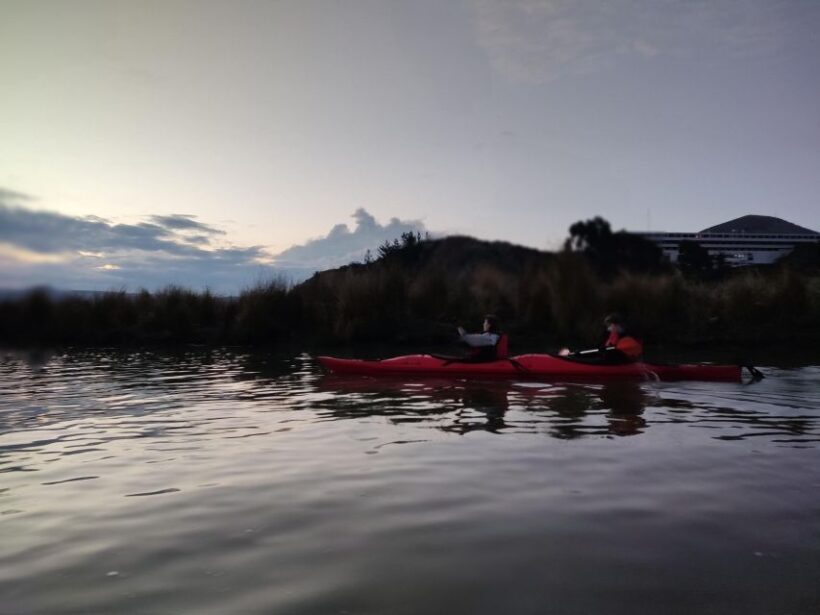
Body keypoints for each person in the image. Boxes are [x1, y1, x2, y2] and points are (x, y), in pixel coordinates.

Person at [559, 313, 643, 364]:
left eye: (609, 325)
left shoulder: (628, 337)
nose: (608, 328)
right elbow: (601, 348)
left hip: (620, 362)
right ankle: (573, 356)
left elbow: (616, 350)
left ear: (615, 325)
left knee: (602, 355)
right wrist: (578, 353)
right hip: (611, 359)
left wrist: (607, 349)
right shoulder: (613, 334)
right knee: (594, 353)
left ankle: (574, 360)